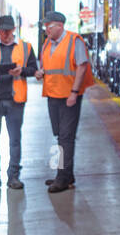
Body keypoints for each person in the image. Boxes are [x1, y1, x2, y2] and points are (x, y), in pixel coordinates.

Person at [0, 14, 37, 191]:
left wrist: (22, 70)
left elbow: (33, 69)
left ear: (14, 29)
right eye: (2, 31)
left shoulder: (26, 48)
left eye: (8, 30)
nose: (5, 34)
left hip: (15, 101)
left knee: (15, 140)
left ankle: (14, 177)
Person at [35, 11, 91, 193]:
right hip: (52, 94)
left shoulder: (74, 41)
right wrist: (40, 72)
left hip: (69, 96)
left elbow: (82, 66)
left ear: (59, 25)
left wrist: (74, 92)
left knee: (66, 137)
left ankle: (62, 177)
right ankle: (66, 174)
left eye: (48, 27)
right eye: (45, 27)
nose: (46, 30)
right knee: (59, 135)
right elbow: (48, 66)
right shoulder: (47, 44)